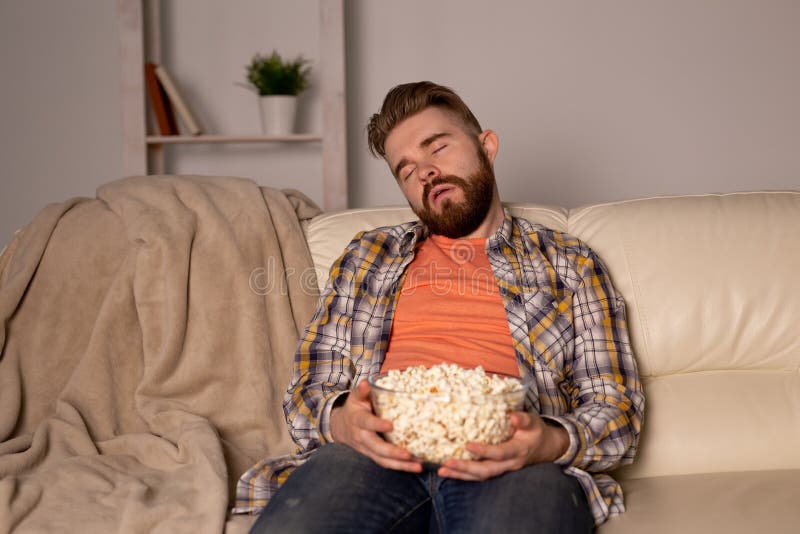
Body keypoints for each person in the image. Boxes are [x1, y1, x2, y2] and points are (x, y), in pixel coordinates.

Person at [238, 81, 645, 533]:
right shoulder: (367, 255)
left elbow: (616, 407)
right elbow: (308, 389)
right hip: (373, 455)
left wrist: (546, 442)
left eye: (437, 148)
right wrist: (342, 422)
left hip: (506, 458)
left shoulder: (568, 261)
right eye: (406, 170)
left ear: (486, 147)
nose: (425, 172)